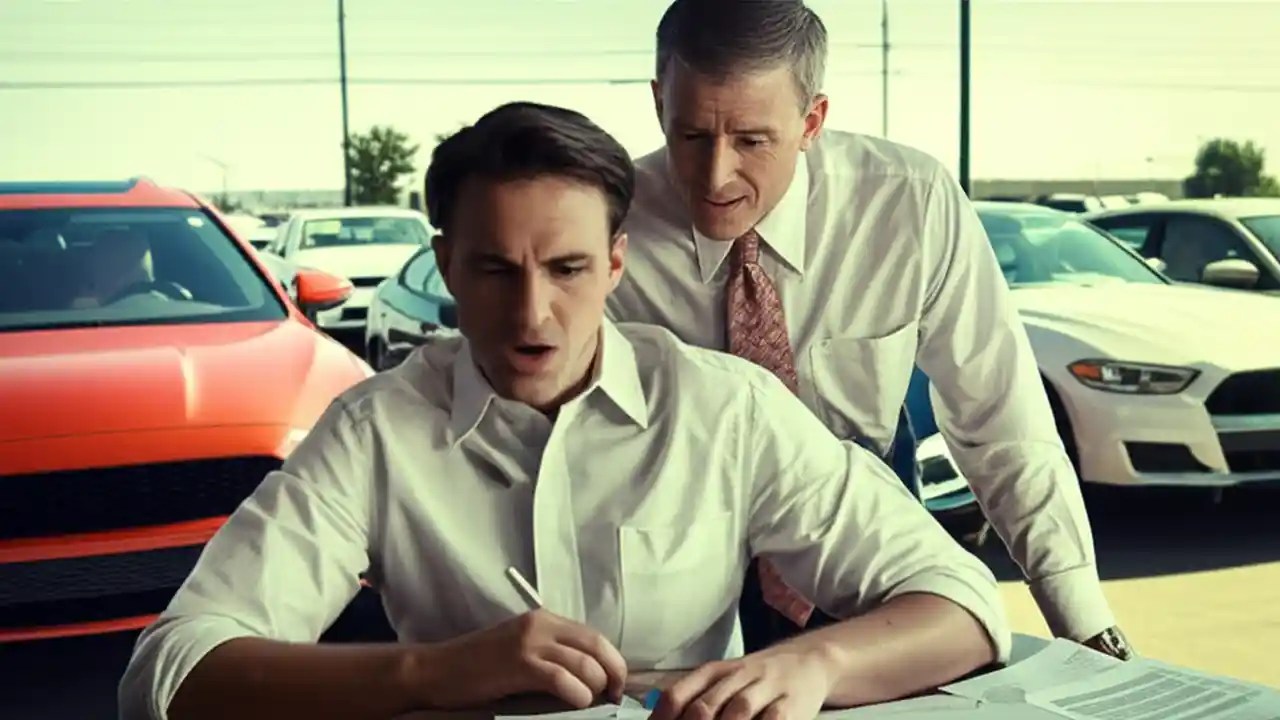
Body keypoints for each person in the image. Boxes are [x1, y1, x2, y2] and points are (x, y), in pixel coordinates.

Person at [118, 101, 1009, 720]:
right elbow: (169, 675)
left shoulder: (725, 408)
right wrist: (435, 672)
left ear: (617, 263)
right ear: (446, 265)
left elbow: (966, 603)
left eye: (568, 269)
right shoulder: (374, 432)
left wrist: (816, 662)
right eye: (495, 271)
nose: (532, 313)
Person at [606, 0, 1132, 659]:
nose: (715, 176)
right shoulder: (603, 221)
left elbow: (1002, 425)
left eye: (751, 140)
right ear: (659, 104)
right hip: (677, 538)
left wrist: (1083, 622)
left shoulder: (910, 203)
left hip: (868, 522)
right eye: (690, 136)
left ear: (812, 121)